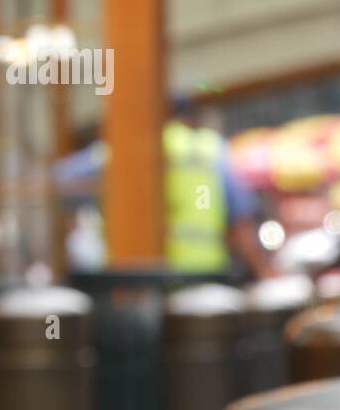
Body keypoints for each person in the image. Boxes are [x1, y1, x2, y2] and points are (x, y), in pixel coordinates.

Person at [53, 105, 277, 279]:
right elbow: (241, 221)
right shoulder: (212, 150)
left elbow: (60, 179)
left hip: (136, 274)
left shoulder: (124, 148)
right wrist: (264, 271)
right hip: (204, 270)